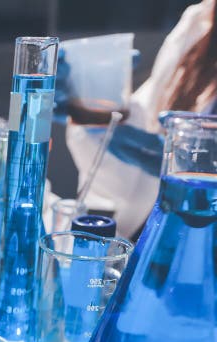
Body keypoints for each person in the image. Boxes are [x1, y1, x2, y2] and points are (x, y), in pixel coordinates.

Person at [58, 0, 216, 238]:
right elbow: (128, 182)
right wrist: (93, 108)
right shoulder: (200, 23)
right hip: (160, 243)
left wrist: (198, 169)